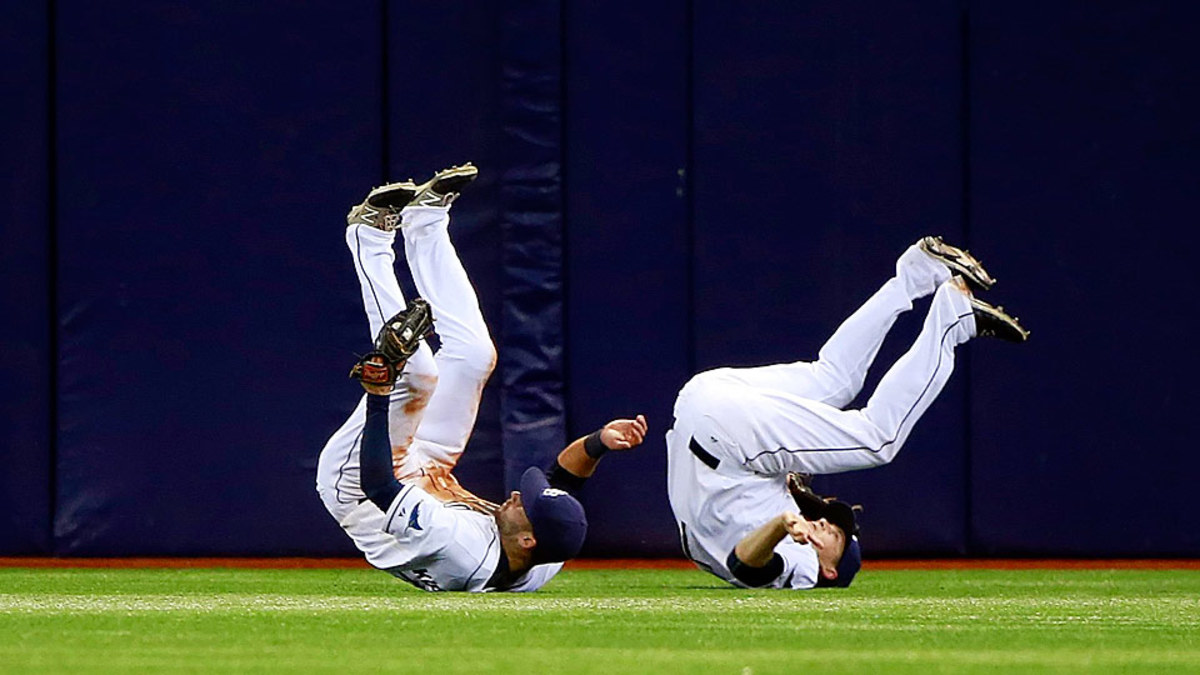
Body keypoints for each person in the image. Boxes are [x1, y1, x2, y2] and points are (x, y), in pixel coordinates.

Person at [316, 163, 647, 592]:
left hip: (360, 488)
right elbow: (560, 484)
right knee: (475, 356)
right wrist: (599, 442)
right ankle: (427, 221)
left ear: (526, 539)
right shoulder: (543, 556)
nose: (515, 496)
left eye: (522, 506)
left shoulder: (460, 551)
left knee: (415, 371)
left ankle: (369, 236)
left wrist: (381, 394)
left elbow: (378, 484)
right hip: (429, 476)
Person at [666, 237, 1028, 590]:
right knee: (841, 389)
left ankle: (941, 305)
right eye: (834, 526)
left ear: (830, 571)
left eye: (837, 535)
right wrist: (781, 514)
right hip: (712, 421)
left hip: (716, 420)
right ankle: (921, 283)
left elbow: (744, 566)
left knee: (872, 431)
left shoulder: (804, 562)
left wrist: (780, 523)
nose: (824, 521)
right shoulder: (798, 544)